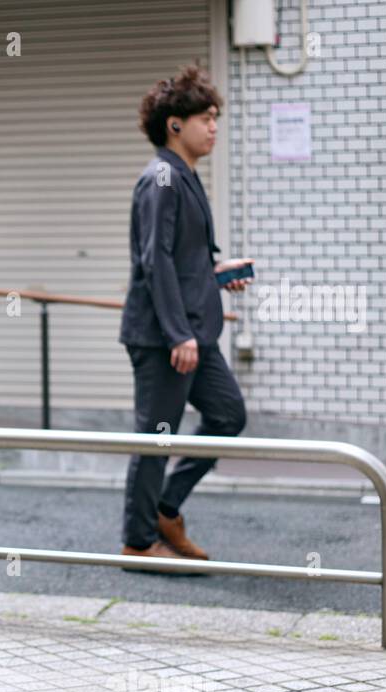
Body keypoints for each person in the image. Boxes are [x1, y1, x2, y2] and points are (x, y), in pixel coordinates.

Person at [119, 65, 252, 564]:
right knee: (156, 436)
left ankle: (166, 509)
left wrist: (219, 273)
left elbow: (181, 259)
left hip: (194, 332)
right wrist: (178, 333)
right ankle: (138, 539)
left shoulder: (184, 176)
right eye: (205, 117)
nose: (214, 126)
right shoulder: (161, 177)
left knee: (228, 414)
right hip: (165, 338)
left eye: (216, 117)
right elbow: (154, 261)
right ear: (175, 124)